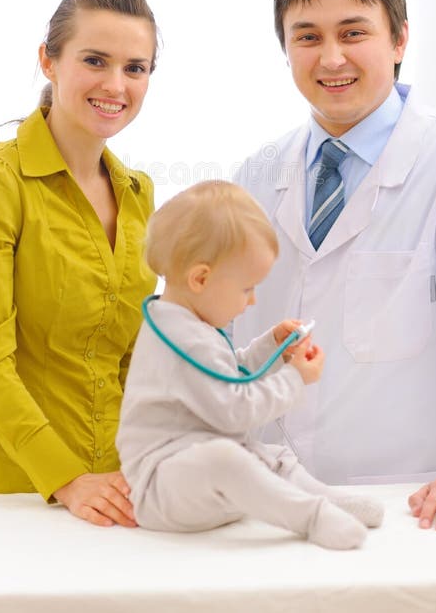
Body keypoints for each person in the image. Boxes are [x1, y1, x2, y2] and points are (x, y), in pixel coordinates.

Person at [232, 0, 436, 532]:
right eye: (307, 36)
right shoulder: (257, 176)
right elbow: (219, 336)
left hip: (416, 501)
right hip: (267, 501)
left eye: (354, 32)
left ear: (399, 40)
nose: (331, 57)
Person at [0, 0, 159, 527]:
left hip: (112, 493)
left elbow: (134, 359)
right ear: (49, 60)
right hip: (7, 498)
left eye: (135, 68)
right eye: (94, 60)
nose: (116, 84)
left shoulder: (139, 194)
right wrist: (66, 478)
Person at [116, 181, 383, 550]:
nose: (253, 300)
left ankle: (325, 499)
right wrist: (295, 378)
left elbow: (229, 371)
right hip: (161, 489)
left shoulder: (188, 323)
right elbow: (234, 410)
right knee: (226, 456)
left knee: (271, 455)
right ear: (201, 278)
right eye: (246, 289)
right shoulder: (181, 337)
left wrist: (270, 346)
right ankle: (310, 516)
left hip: (192, 475)